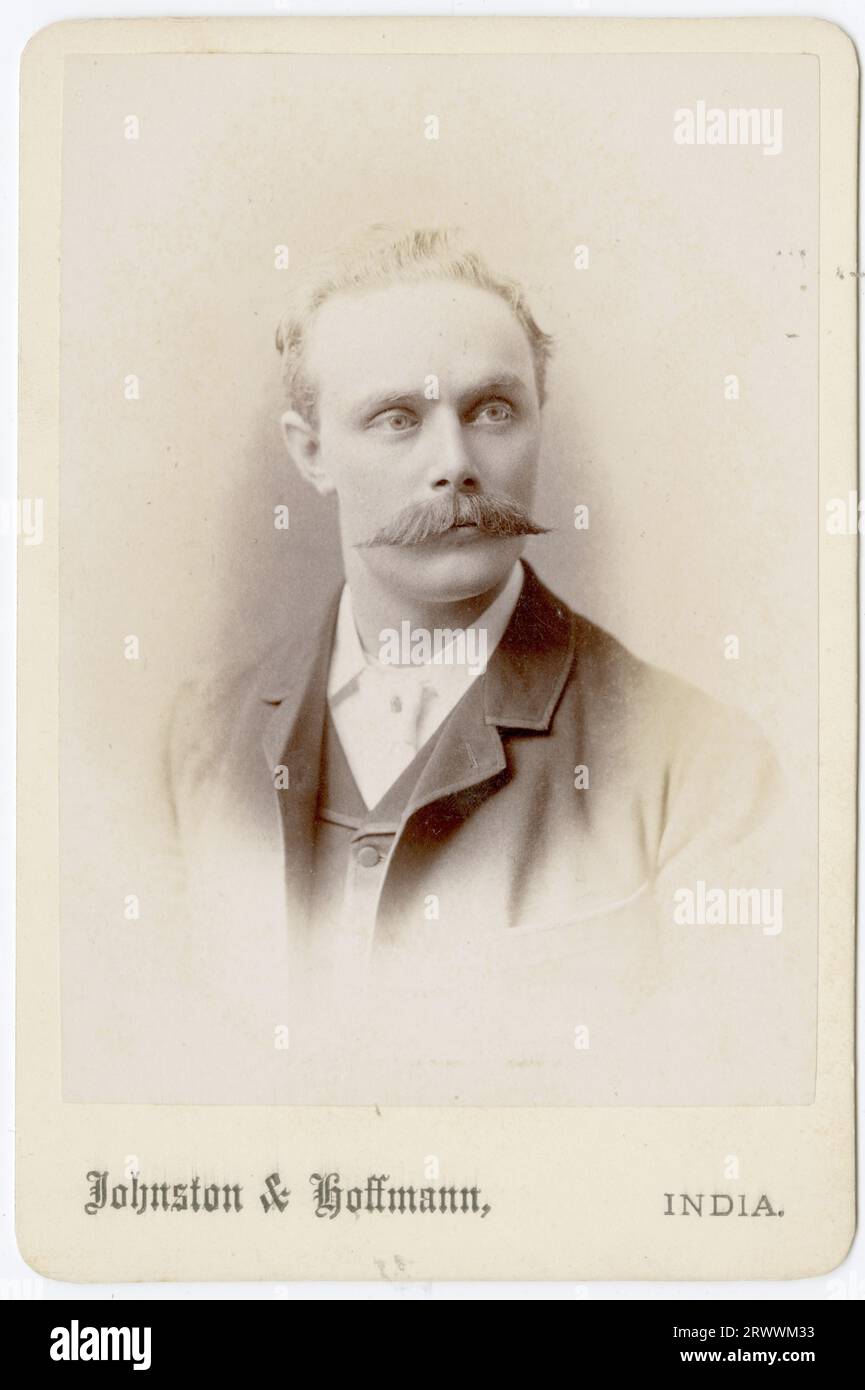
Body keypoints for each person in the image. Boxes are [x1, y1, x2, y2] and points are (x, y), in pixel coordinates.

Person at [165, 225, 788, 1104]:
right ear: (310, 454)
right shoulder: (194, 746)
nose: (455, 465)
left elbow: (720, 1096)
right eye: (396, 419)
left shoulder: (697, 768)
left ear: (537, 420)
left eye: (491, 409)